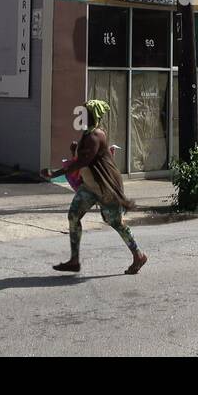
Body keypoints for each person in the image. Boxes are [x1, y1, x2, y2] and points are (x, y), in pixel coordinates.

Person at [46, 100, 147, 275]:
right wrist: (75, 150)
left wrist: (54, 174)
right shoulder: (88, 134)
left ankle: (138, 255)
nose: (81, 116)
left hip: (105, 186)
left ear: (92, 116)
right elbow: (84, 158)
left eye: (85, 113)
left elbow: (85, 160)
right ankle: (74, 260)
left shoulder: (95, 136)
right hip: (90, 186)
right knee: (73, 216)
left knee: (115, 222)